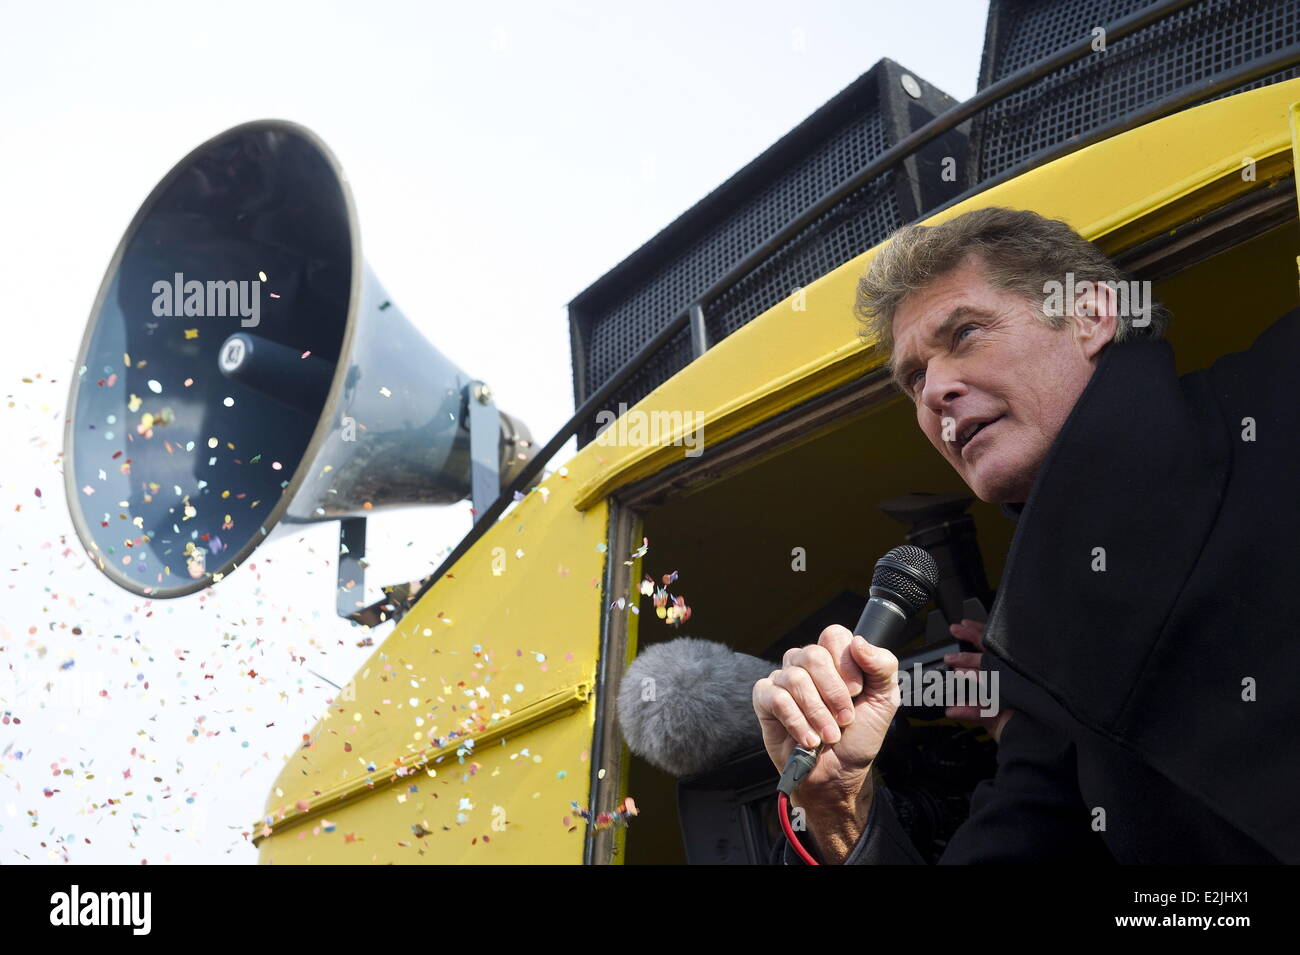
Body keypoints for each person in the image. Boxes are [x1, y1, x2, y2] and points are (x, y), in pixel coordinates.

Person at [752, 206, 1300, 864]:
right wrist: (837, 802)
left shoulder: (1281, 388)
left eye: (964, 334)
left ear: (1092, 314)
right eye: (914, 378)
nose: (933, 394)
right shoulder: (1031, 660)